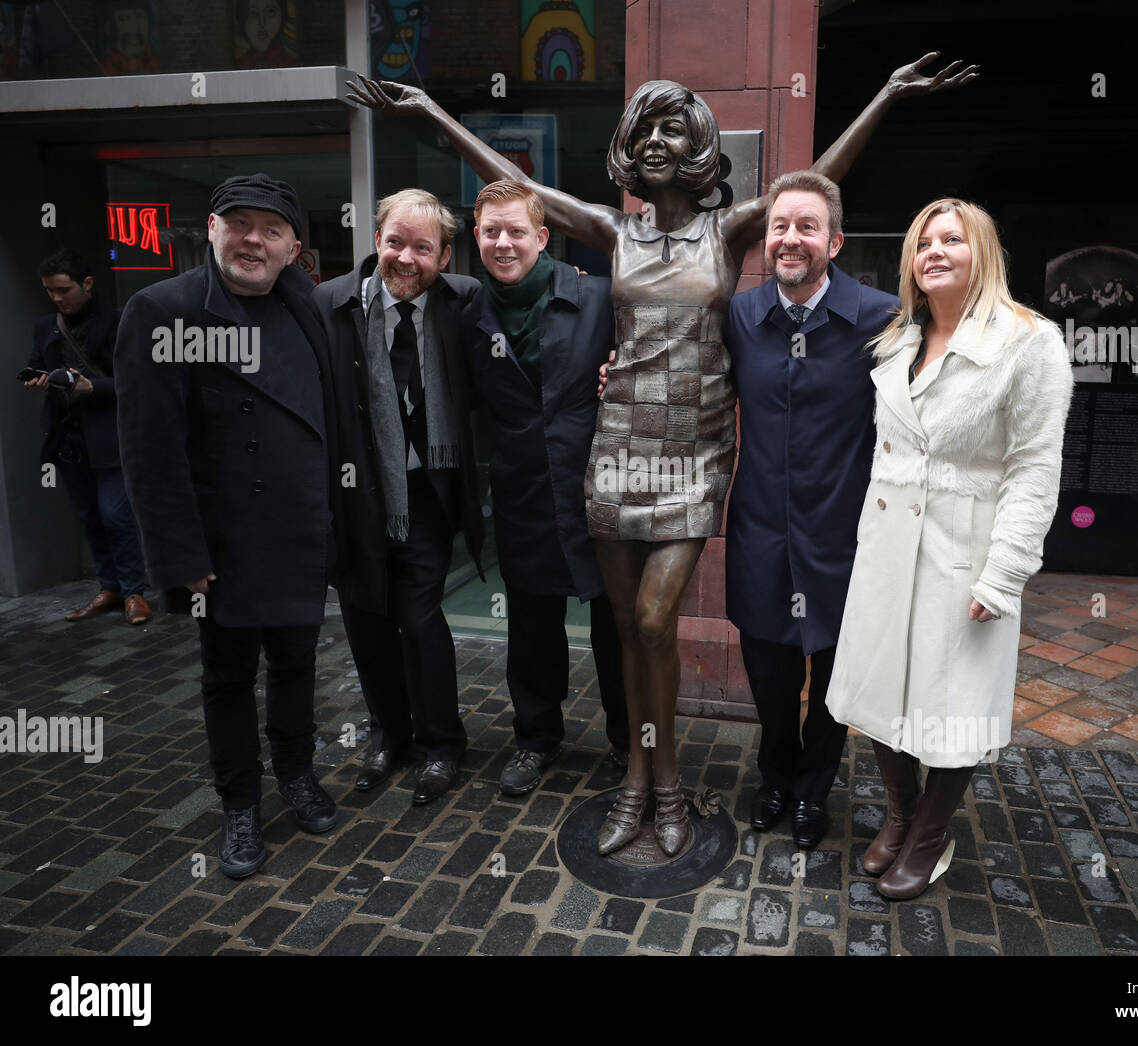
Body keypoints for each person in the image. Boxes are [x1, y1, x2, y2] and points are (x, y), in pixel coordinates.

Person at [348, 51, 976, 858]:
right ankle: (637, 784)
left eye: (672, 127)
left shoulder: (732, 229)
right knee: (627, 626)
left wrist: (885, 93)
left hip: (693, 452)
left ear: (699, 146)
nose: (653, 139)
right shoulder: (615, 231)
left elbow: (812, 183)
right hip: (618, 447)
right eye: (642, 127)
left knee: (653, 618)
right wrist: (431, 112)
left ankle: (670, 786)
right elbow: (517, 186)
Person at [825, 198, 1073, 899]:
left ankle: (931, 833)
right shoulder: (898, 338)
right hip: (885, 544)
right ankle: (900, 812)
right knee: (881, 689)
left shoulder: (1028, 342)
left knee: (953, 703)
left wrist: (1004, 575)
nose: (933, 251)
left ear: (983, 254)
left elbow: (1034, 467)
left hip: (965, 548)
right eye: (922, 242)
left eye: (952, 241)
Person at [116, 173, 342, 878]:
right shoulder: (161, 311)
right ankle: (240, 803)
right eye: (238, 223)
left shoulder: (307, 303)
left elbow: (332, 418)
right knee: (228, 677)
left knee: (300, 665)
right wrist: (180, 553)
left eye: (271, 229)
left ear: (293, 247)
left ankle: (298, 774)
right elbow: (149, 452)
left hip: (301, 528)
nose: (254, 239)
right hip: (224, 543)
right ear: (210, 230)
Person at [724, 172, 897, 850]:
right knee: (769, 676)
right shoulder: (740, 315)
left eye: (806, 227)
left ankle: (814, 787)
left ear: (835, 240)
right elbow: (687, 376)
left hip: (841, 539)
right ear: (765, 243)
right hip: (762, 533)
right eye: (779, 228)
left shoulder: (881, 319)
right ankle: (774, 776)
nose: (790, 239)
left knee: (832, 682)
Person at [459, 179, 630, 796]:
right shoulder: (468, 312)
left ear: (543, 236)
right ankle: (535, 737)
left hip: (601, 486)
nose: (504, 243)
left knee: (617, 624)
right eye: (490, 232)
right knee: (531, 626)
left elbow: (650, 361)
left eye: (516, 231)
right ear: (476, 238)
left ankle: (626, 741)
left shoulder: (598, 297)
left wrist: (621, 372)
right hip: (524, 489)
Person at [314, 188, 483, 805]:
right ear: (376, 241)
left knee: (419, 617)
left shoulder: (463, 302)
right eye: (395, 242)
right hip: (356, 495)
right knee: (366, 621)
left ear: (444, 255)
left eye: (423, 247)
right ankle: (390, 736)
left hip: (428, 494)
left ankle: (442, 745)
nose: (406, 258)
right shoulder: (330, 305)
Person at [25, 248, 152, 626]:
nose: (57, 298)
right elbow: (37, 363)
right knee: (89, 516)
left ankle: (134, 590)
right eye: (50, 291)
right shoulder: (45, 326)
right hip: (68, 437)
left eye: (64, 289)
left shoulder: (117, 323)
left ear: (88, 284)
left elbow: (135, 383)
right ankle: (109, 587)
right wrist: (38, 379)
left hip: (110, 435)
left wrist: (89, 388)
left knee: (116, 515)